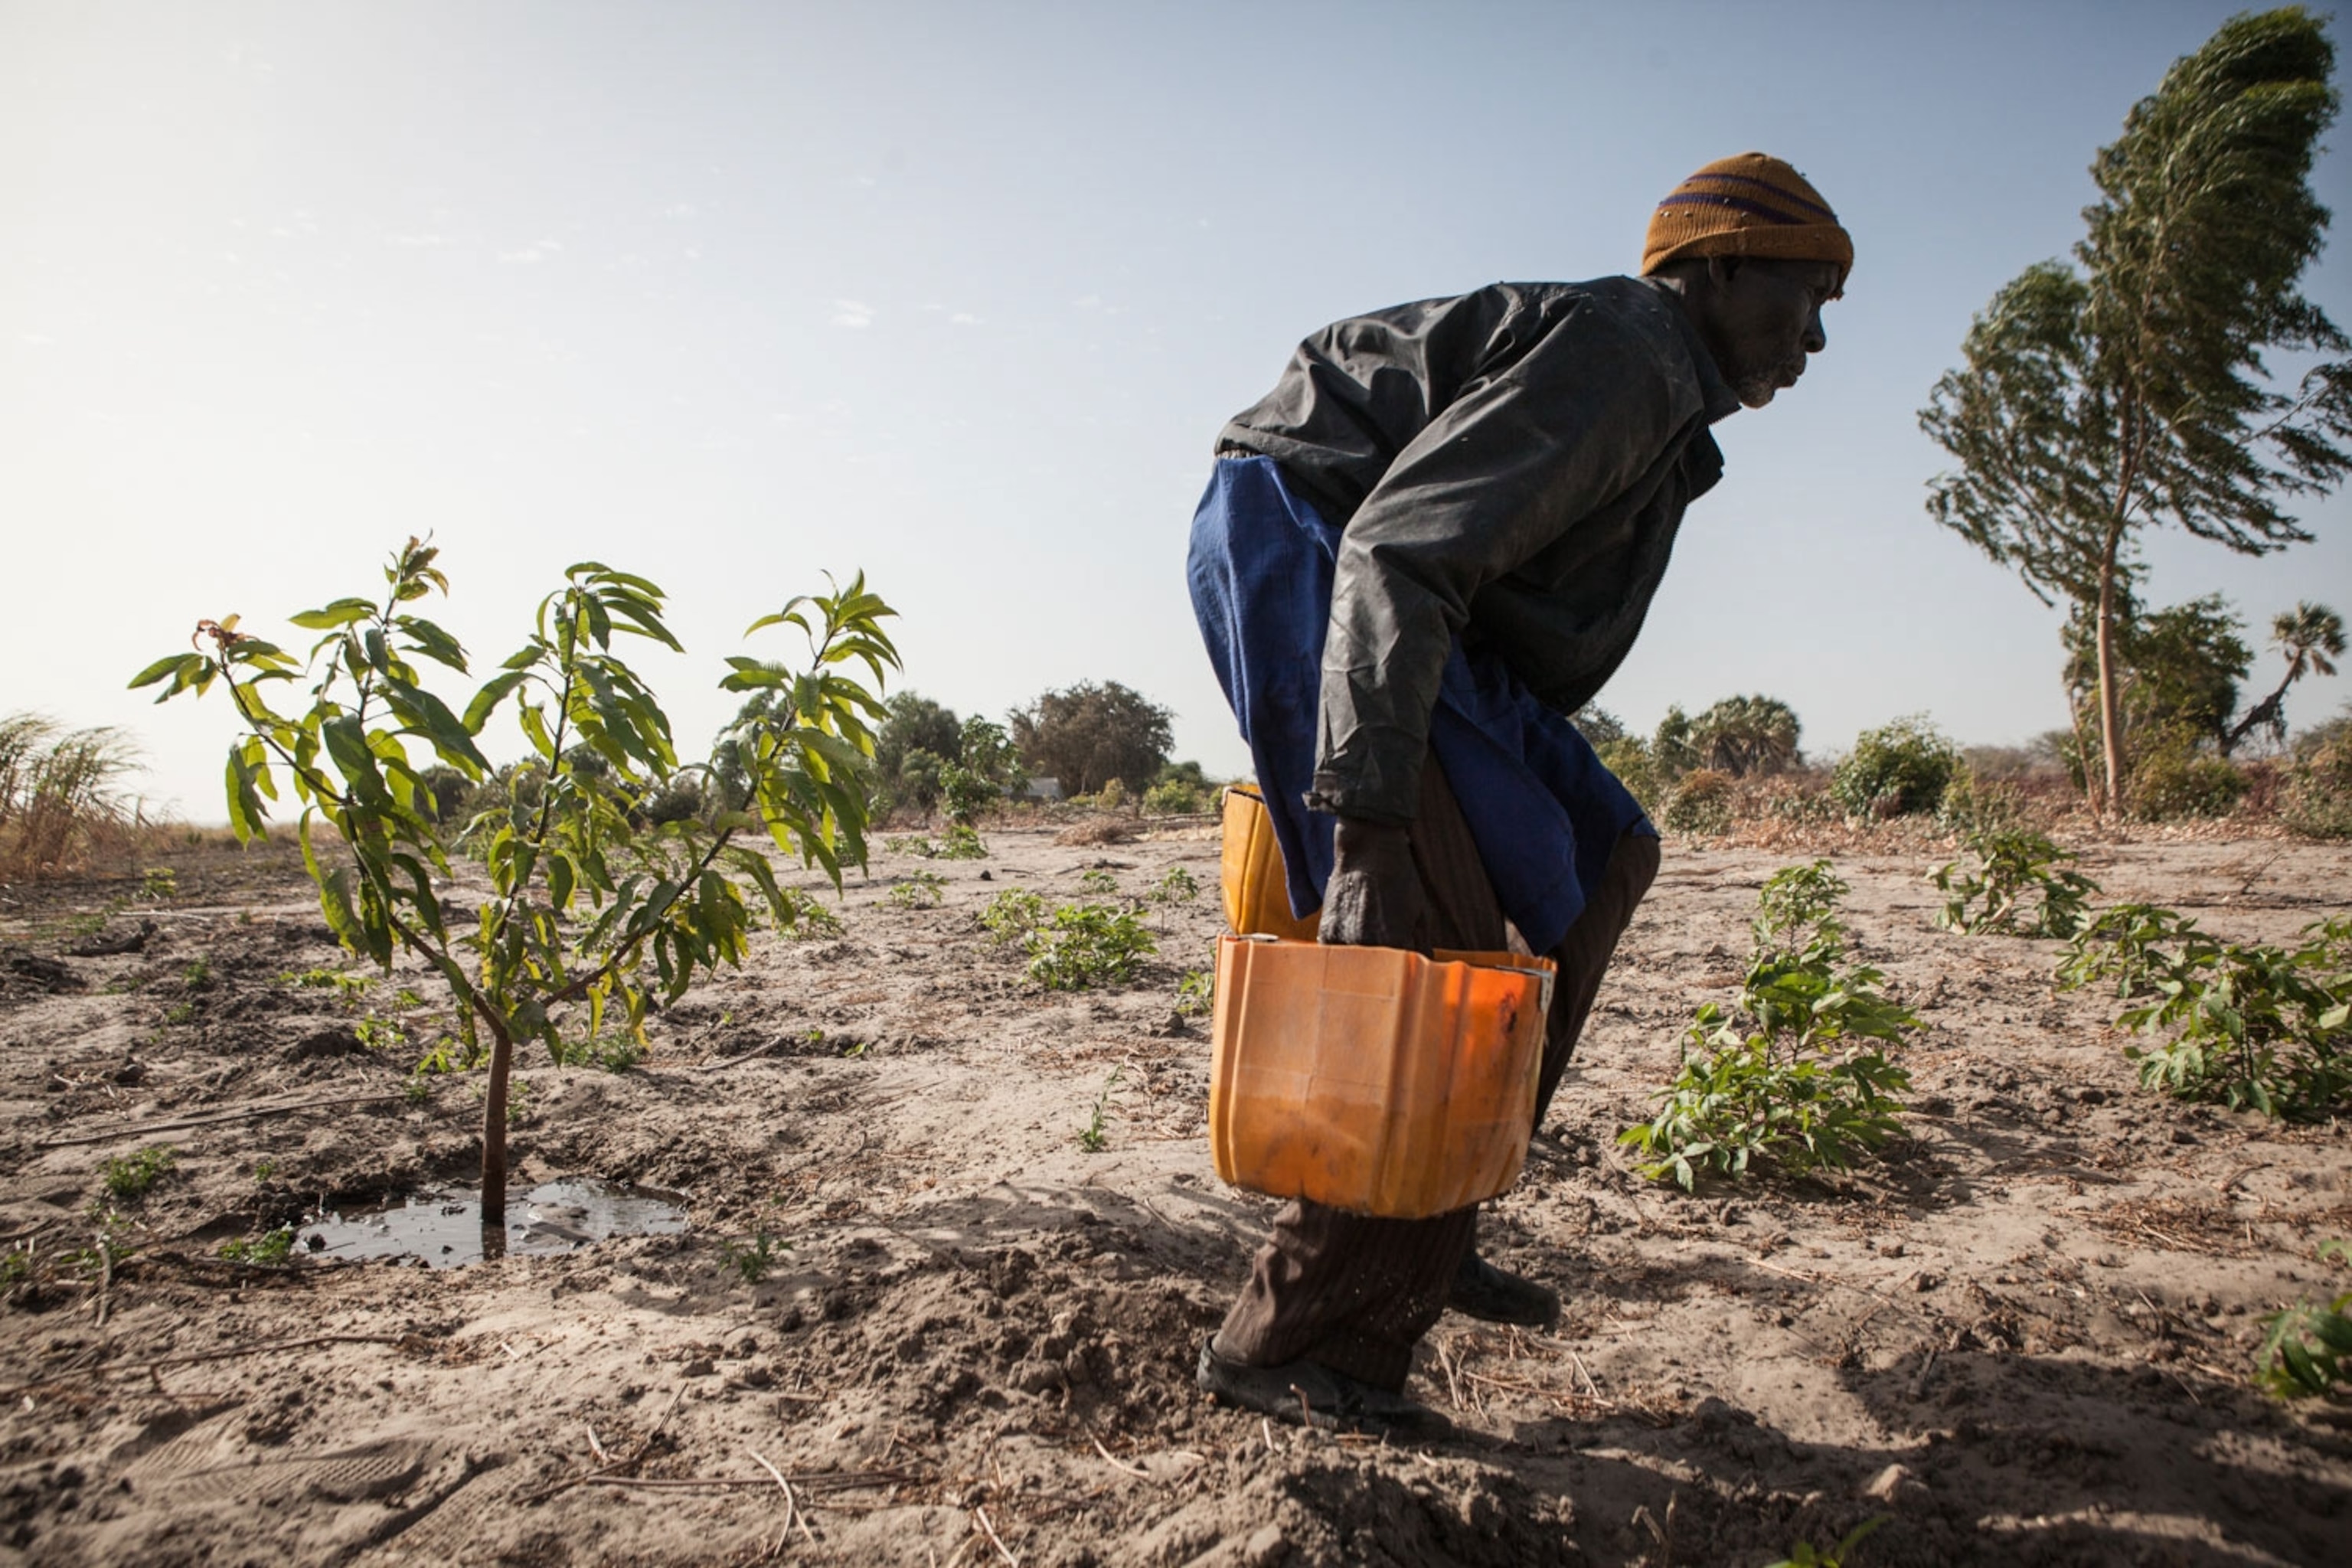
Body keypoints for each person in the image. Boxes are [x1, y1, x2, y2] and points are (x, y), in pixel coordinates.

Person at [1185, 152, 1852, 1432]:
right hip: (1310, 544)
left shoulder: (1661, 393)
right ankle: (1299, 1340)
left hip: (1410, 598)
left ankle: (1452, 1187)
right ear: (1717, 268)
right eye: (1803, 296)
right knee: (1424, 934)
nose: (1815, 340)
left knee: (1604, 849)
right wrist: (1372, 829)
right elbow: (1397, 546)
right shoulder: (1626, 353)